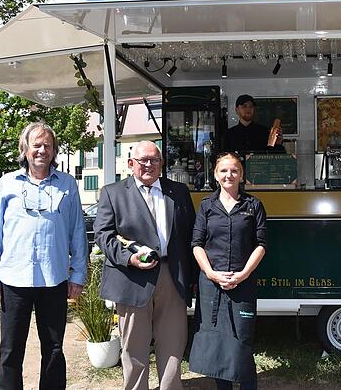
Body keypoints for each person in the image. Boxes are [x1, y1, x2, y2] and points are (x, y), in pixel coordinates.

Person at [0, 122, 87, 390]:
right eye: (36, 145)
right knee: (10, 350)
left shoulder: (67, 185)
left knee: (53, 349)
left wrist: (78, 275)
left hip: (54, 279)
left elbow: (77, 232)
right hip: (14, 280)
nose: (41, 150)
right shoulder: (7, 184)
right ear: (25, 149)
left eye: (47, 146)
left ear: (54, 151)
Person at [94, 141, 195, 390]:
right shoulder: (112, 193)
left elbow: (190, 234)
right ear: (131, 164)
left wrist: (192, 277)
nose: (149, 164)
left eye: (154, 160)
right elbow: (103, 235)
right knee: (134, 347)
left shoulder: (179, 191)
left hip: (172, 276)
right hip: (132, 279)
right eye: (143, 160)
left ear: (161, 164)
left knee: (173, 343)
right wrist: (129, 258)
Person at [188, 152, 268, 390]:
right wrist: (212, 274)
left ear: (241, 175)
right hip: (212, 285)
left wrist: (243, 274)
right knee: (218, 342)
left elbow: (261, 245)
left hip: (243, 283)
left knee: (242, 339)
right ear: (215, 174)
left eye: (234, 170)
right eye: (223, 170)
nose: (229, 175)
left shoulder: (253, 206)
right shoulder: (206, 206)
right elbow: (196, 244)